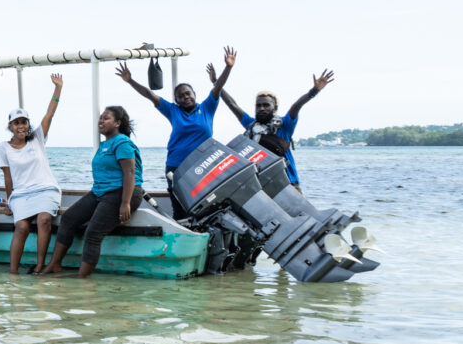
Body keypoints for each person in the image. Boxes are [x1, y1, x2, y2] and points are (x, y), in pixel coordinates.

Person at [117, 47, 236, 220]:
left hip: (202, 166)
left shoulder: (207, 108)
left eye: (188, 93)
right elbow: (150, 94)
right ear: (177, 100)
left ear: (194, 94)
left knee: (202, 205)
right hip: (176, 166)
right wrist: (130, 80)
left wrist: (228, 67)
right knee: (179, 208)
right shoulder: (173, 110)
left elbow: (218, 87)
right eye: (181, 96)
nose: (186, 97)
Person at [45, 106, 143, 278]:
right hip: (100, 192)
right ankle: (55, 264)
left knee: (93, 232)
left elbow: (130, 172)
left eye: (106, 118)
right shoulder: (105, 145)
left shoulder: (122, 142)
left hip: (123, 192)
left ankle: (82, 278)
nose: (101, 121)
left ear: (118, 123)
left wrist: (125, 203)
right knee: (68, 218)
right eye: (100, 118)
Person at [207, 63, 334, 191]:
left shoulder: (285, 125)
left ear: (275, 108)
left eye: (266, 105)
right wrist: (216, 83)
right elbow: (232, 104)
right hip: (263, 187)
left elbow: (296, 106)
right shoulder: (251, 125)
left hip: (289, 185)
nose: (262, 108)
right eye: (259, 105)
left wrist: (314, 91)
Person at [0, 74, 63, 274]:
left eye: (24, 122)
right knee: (22, 227)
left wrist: (58, 88)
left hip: (46, 189)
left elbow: (49, 114)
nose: (21, 126)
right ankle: (13, 273)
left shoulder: (37, 139)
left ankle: (41, 265)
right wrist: (9, 200)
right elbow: (8, 177)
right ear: (10, 126)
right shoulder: (3, 148)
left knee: (44, 219)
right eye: (16, 123)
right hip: (21, 194)